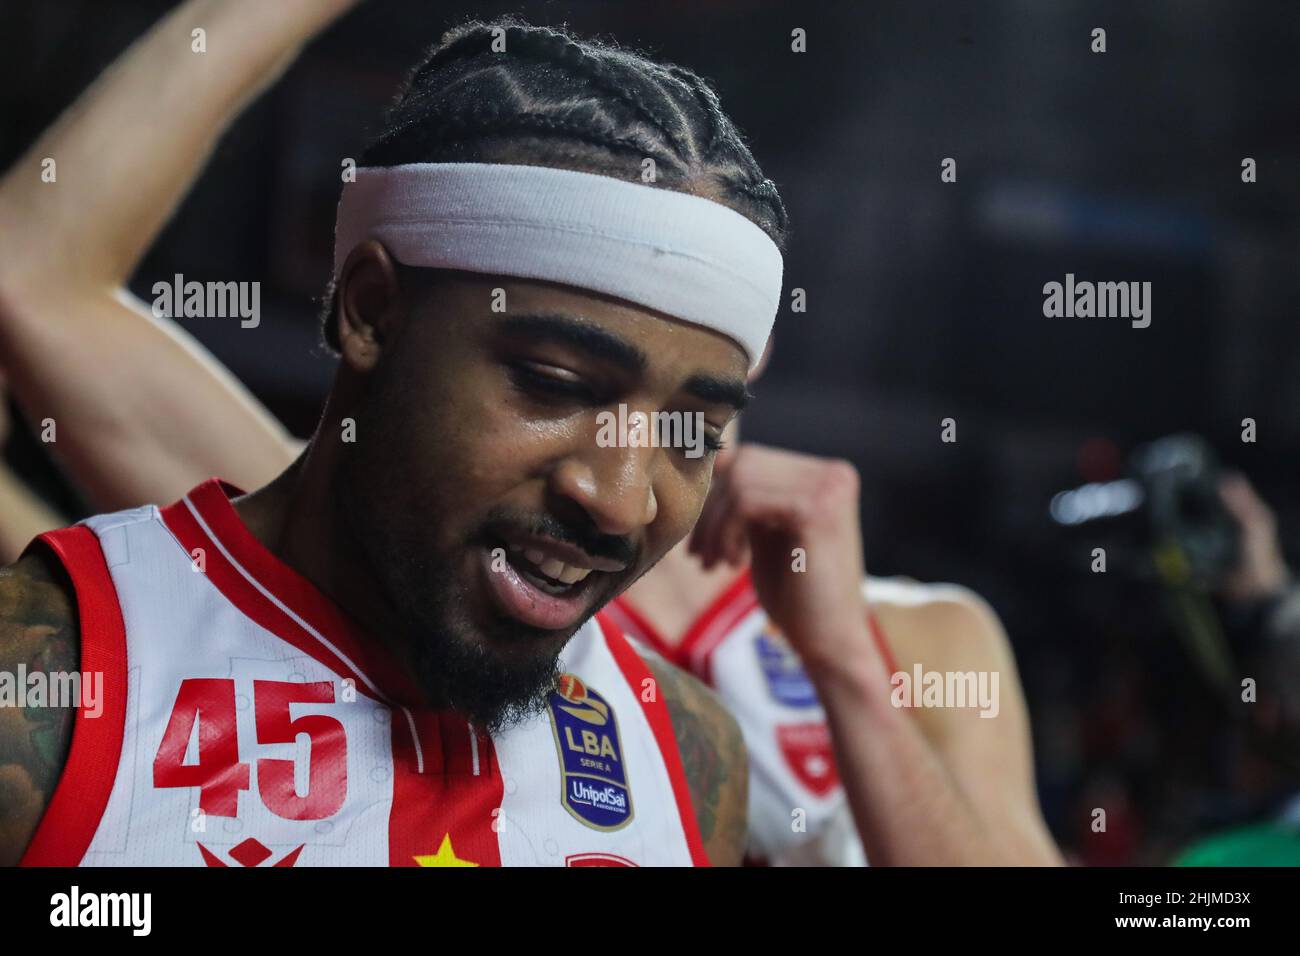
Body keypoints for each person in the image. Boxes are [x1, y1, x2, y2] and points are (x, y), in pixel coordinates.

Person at [0, 0, 1064, 866]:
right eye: (555, 382)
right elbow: (32, 279)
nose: (617, 493)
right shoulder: (87, 658)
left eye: (693, 422)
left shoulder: (715, 742)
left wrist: (845, 668)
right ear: (369, 313)